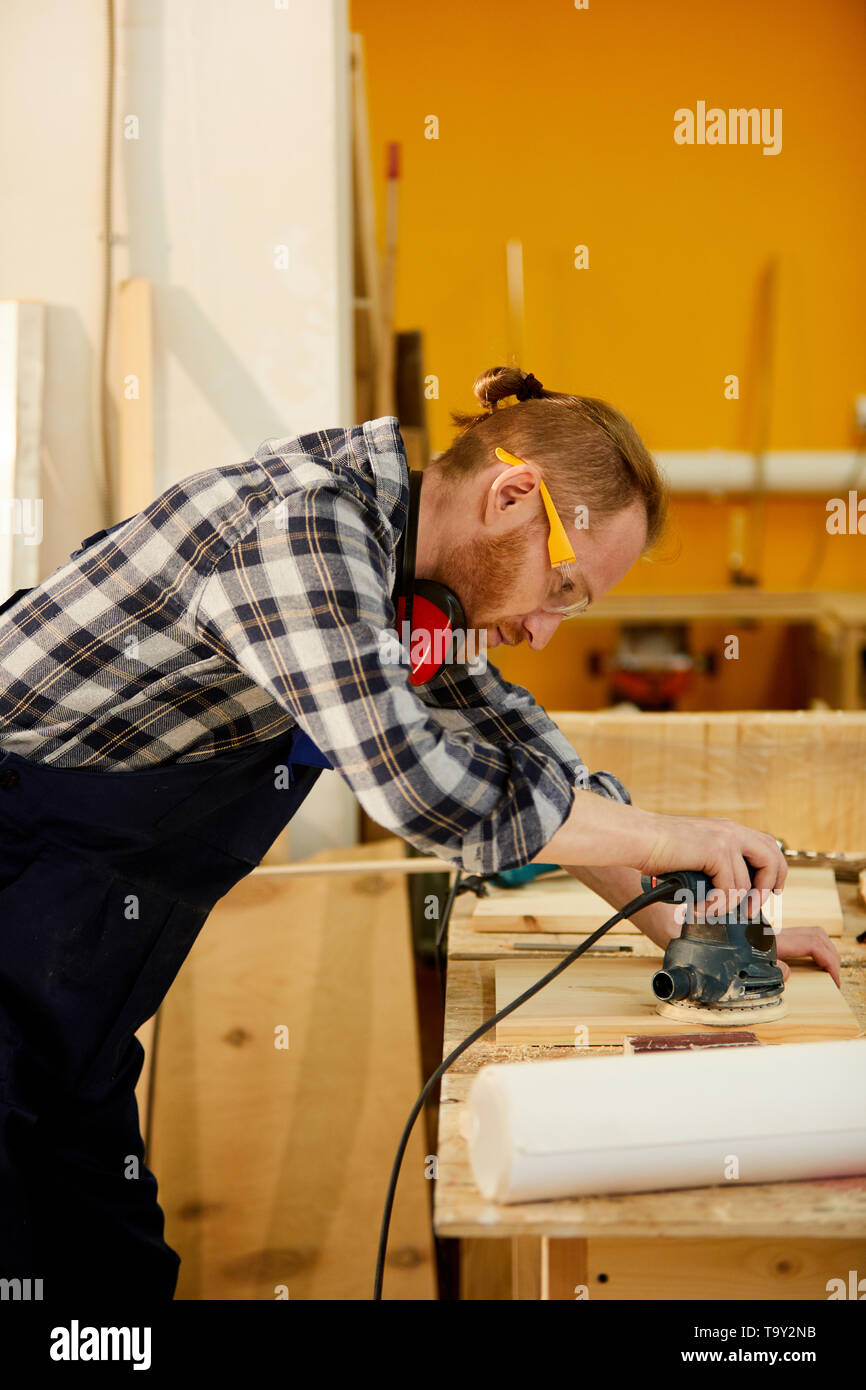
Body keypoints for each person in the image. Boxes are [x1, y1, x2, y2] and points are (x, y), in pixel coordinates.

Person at [0, 364, 839, 1299]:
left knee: (115, 1280)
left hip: (68, 1008)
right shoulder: (303, 534)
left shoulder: (411, 588)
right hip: (19, 928)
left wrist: (685, 926)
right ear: (512, 494)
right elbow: (420, 789)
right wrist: (664, 838)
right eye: (560, 588)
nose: (545, 631)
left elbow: (521, 755)